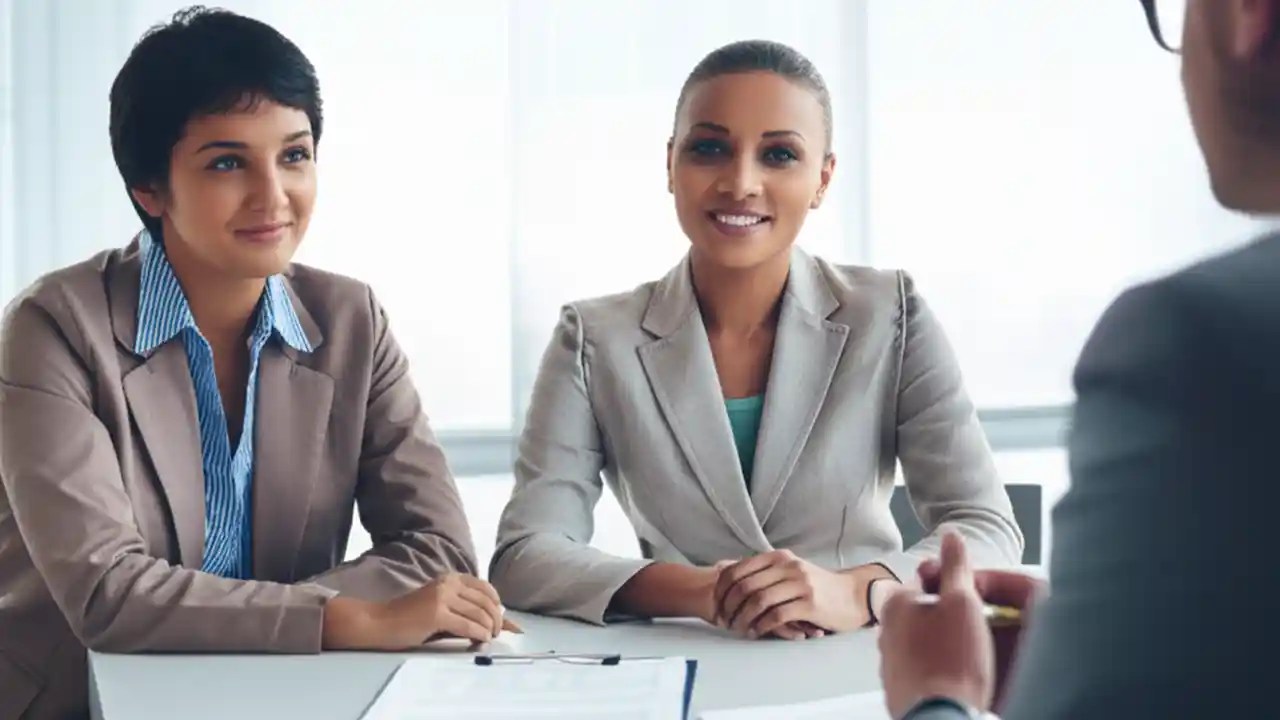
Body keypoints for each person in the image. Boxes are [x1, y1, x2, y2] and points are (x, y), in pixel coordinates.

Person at [0, 9, 508, 718]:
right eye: (228, 162)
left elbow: (440, 552)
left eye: (294, 156)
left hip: (284, 696)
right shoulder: (55, 328)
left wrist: (270, 621)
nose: (274, 197)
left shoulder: (349, 319)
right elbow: (106, 593)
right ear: (150, 188)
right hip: (85, 700)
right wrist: (347, 619)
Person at [490, 39, 1023, 640]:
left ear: (822, 179)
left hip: (859, 659)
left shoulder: (891, 314)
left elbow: (985, 527)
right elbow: (525, 555)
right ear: (671, 165)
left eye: (778, 155)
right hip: (685, 656)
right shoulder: (593, 339)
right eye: (710, 148)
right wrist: (705, 591)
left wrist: (857, 589)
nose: (741, 182)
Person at [878, 0, 1280, 717]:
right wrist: (1119, 637)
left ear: (1251, 13)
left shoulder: (1199, 347)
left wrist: (935, 698)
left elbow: (981, 519)